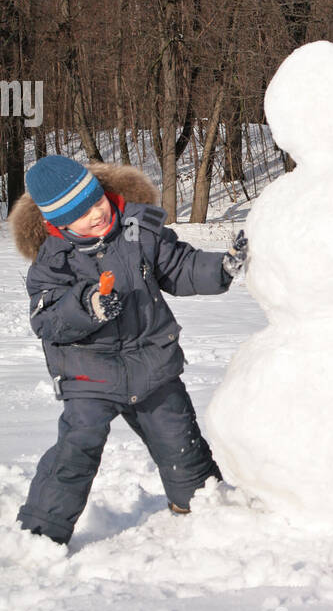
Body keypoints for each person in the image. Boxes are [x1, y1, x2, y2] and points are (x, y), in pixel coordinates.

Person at [9, 156, 249, 546]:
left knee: (179, 437)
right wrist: (88, 306)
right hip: (90, 372)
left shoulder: (139, 232)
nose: (95, 214)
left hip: (152, 362)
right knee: (77, 448)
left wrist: (221, 267)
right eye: (79, 213)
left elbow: (180, 266)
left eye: (96, 201)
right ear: (58, 223)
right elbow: (47, 318)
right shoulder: (51, 261)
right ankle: (41, 531)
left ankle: (201, 505)